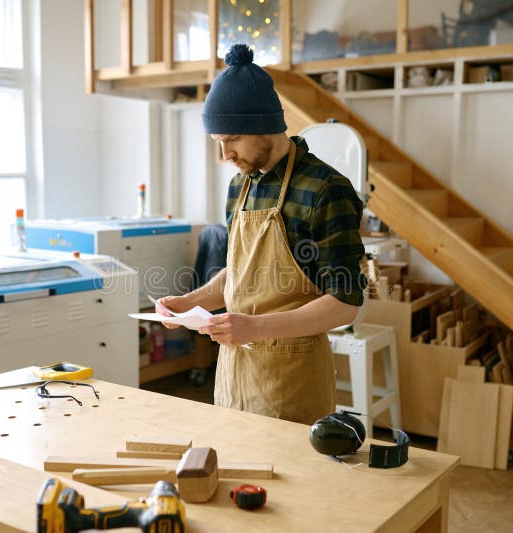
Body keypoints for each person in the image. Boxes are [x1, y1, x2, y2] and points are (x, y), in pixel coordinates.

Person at [155, 44, 366, 425]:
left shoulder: (325, 190)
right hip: (235, 376)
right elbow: (239, 273)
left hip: (293, 380)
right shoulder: (241, 186)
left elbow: (345, 302)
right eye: (217, 142)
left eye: (232, 140)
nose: (225, 156)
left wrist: (254, 327)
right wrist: (189, 302)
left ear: (266, 125)